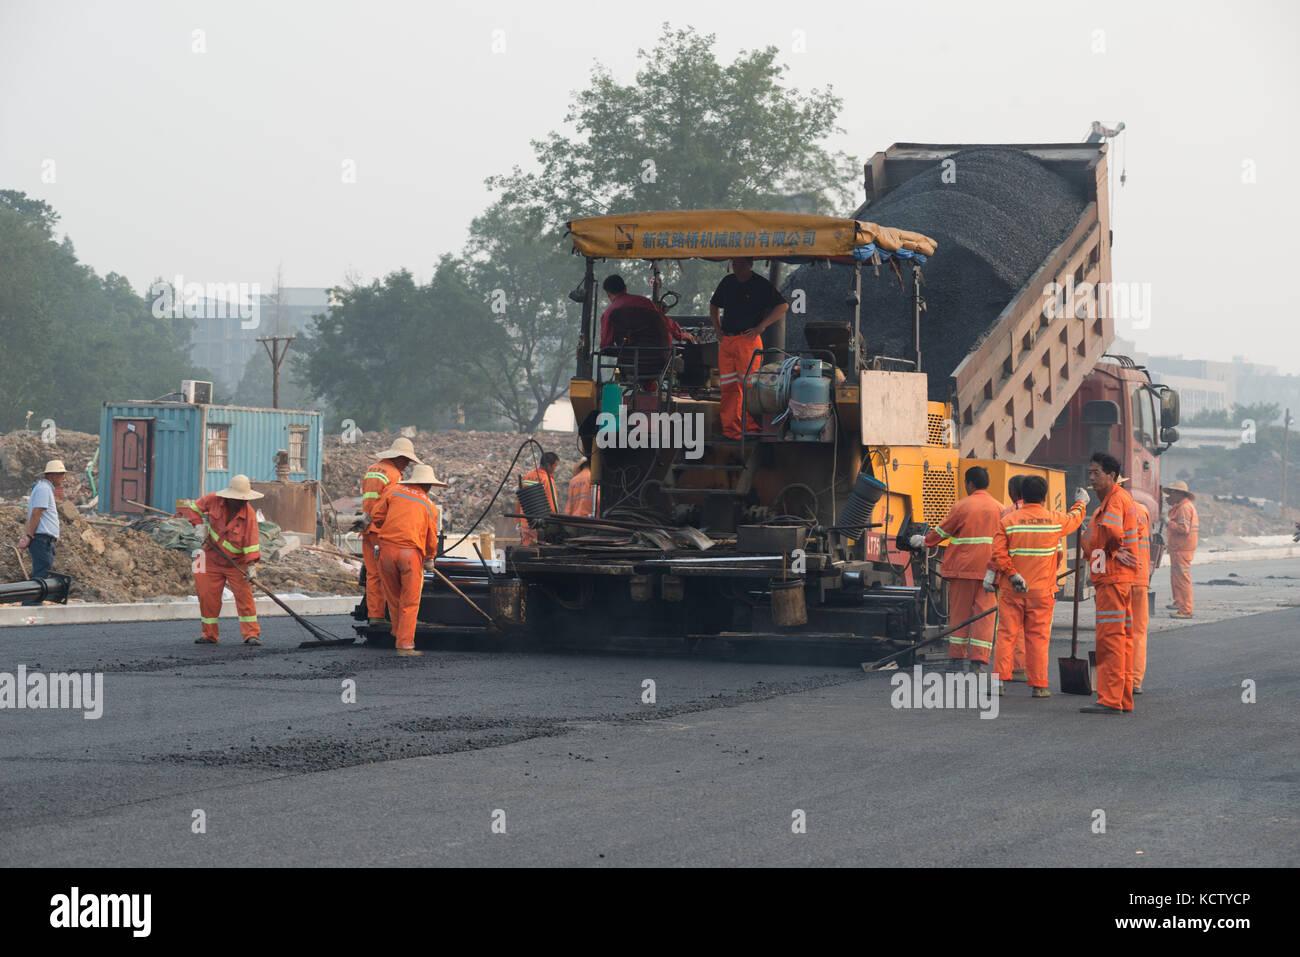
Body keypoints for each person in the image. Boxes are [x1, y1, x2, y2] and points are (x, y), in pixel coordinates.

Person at [989, 476, 1089, 696]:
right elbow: (1074, 519)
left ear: (1020, 496)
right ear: (1045, 497)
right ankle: (1039, 686)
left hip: (1012, 589)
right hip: (1042, 594)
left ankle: (998, 685)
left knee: (1006, 636)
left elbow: (997, 553)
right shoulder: (1054, 520)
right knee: (1038, 639)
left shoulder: (1008, 521)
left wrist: (1013, 574)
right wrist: (1081, 502)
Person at [914, 466, 1002, 671]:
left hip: (963, 570)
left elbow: (942, 531)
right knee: (985, 616)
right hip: (989, 572)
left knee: (960, 614)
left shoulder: (962, 506)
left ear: (970, 484)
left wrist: (924, 541)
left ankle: (956, 659)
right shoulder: (1000, 508)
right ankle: (979, 661)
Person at [1081, 452, 1141, 714]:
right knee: (1122, 639)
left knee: (1110, 640)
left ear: (1112, 475)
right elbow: (1094, 539)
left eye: (1096, 473)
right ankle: (1123, 698)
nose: (1091, 478)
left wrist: (1113, 551)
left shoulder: (1114, 501)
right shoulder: (1113, 502)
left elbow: (1114, 533)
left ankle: (1110, 700)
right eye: (1090, 473)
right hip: (1116, 579)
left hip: (1112, 579)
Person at [370, 463, 447, 655]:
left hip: (386, 552)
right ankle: (405, 646)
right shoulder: (429, 506)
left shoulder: (394, 491)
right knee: (410, 601)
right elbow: (431, 539)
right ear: (428, 485)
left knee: (393, 597)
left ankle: (397, 634)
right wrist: (430, 558)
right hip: (410, 555)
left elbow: (376, 516)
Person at [178, 475, 264, 645]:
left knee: (244, 597)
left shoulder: (250, 516)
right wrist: (199, 526)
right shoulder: (213, 500)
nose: (241, 502)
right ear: (229, 496)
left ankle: (251, 634)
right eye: (238, 499)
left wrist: (252, 568)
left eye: (243, 499)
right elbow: (193, 508)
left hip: (237, 563)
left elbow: (251, 544)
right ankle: (209, 634)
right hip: (210, 557)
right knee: (206, 595)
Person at [708, 258, 788, 440]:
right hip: (727, 341)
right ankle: (731, 430)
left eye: (740, 263)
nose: (737, 266)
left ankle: (750, 429)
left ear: (750, 264)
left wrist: (762, 326)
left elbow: (783, 306)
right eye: (735, 263)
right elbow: (713, 305)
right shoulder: (728, 282)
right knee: (728, 387)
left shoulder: (759, 284)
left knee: (748, 387)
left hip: (748, 341)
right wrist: (717, 328)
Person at [358, 437, 423, 628]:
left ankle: (376, 615)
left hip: (367, 529)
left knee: (372, 574)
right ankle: (394, 619)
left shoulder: (372, 469)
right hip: (382, 531)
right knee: (389, 575)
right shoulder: (395, 475)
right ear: (400, 457)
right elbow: (392, 504)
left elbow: (369, 500)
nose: (407, 465)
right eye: (407, 461)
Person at [985, 473, 1029, 680]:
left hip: (1011, 578)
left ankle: (1013, 668)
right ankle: (1032, 672)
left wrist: (991, 572)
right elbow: (1057, 552)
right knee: (1034, 627)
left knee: (1010, 626)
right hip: (1038, 579)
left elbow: (999, 549)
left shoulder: (1008, 513)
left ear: (1012, 492)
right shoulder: (1044, 514)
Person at [17, 460, 67, 605]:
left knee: (42, 574)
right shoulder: (44, 489)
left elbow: (35, 514)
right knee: (41, 576)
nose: (63, 477)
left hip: (43, 540)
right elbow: (36, 513)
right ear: (53, 475)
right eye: (61, 474)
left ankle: (32, 605)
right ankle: (31, 607)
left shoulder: (44, 488)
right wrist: (28, 535)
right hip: (42, 540)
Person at [599, 275, 693, 347]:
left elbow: (606, 345)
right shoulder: (644, 302)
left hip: (628, 360)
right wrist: (682, 335)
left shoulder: (608, 313)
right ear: (625, 288)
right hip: (658, 356)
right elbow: (665, 322)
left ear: (607, 294)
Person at [1163, 480, 1199, 618]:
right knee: (1177, 576)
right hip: (1179, 547)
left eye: (1171, 493)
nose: (1169, 496)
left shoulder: (1184, 508)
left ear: (1179, 494)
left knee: (1182, 579)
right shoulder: (1182, 506)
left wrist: (1168, 522)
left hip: (1182, 548)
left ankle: (1186, 609)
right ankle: (1179, 602)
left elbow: (1184, 529)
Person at [1131, 500, 1152, 694]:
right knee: (1138, 631)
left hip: (1118, 581)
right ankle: (1135, 680)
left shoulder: (1107, 510)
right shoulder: (1142, 510)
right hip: (1140, 578)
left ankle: (1118, 679)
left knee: (1115, 632)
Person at [516, 452, 560, 546]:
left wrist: (518, 519)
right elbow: (552, 505)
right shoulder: (547, 480)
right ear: (548, 465)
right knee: (538, 552)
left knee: (527, 550)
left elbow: (520, 499)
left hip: (525, 523)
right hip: (539, 525)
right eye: (555, 466)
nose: (555, 469)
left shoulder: (527, 476)